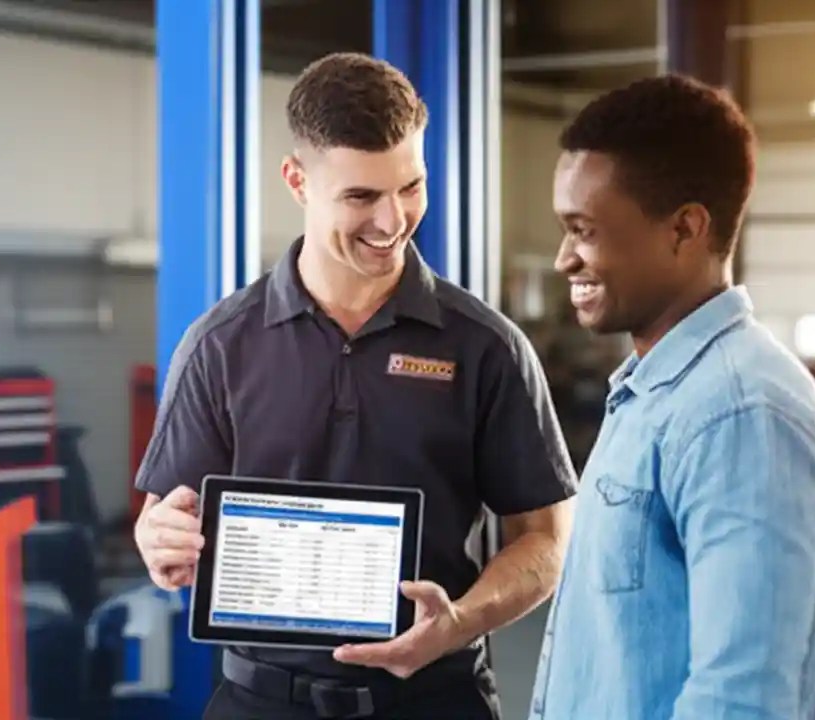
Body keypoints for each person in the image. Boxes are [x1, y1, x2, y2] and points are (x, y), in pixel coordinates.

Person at [133, 52, 577, 720]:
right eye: (361, 196)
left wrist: (460, 619)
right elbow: (161, 517)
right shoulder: (221, 344)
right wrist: (157, 540)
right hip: (261, 703)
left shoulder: (487, 347)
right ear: (296, 181)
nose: (392, 220)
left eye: (411, 187)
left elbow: (545, 540)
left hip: (434, 700)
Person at [530, 74, 815, 720]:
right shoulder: (652, 394)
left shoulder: (742, 416)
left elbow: (742, 699)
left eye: (584, 229)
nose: (565, 258)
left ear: (684, 230)